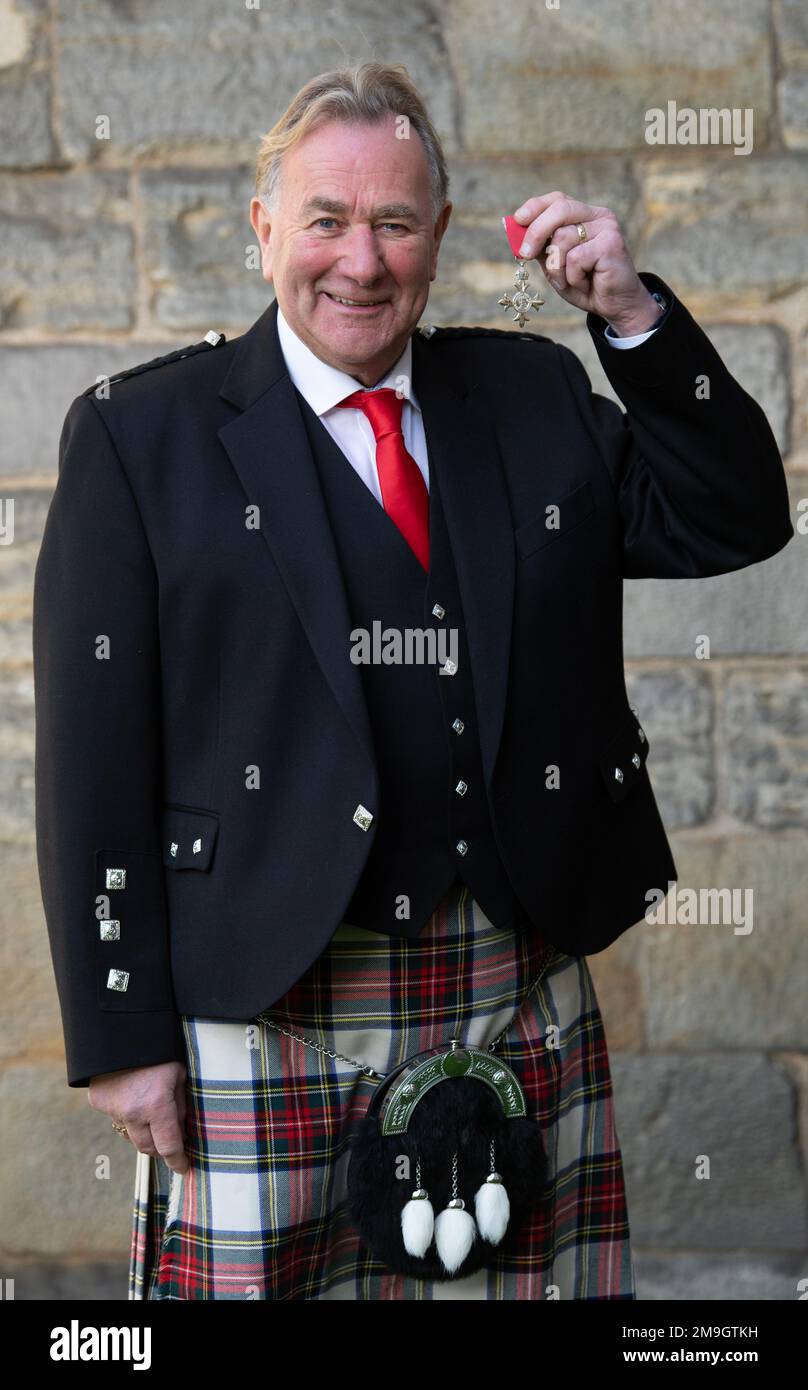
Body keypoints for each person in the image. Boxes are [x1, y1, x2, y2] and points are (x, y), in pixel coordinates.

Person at [33, 61, 793, 1301]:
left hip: (509, 974)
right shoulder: (142, 435)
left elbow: (735, 515)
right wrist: (119, 1035)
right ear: (263, 228)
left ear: (437, 236)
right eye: (325, 219)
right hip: (265, 988)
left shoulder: (530, 394)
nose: (360, 261)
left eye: (394, 222)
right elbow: (87, 754)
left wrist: (633, 318)